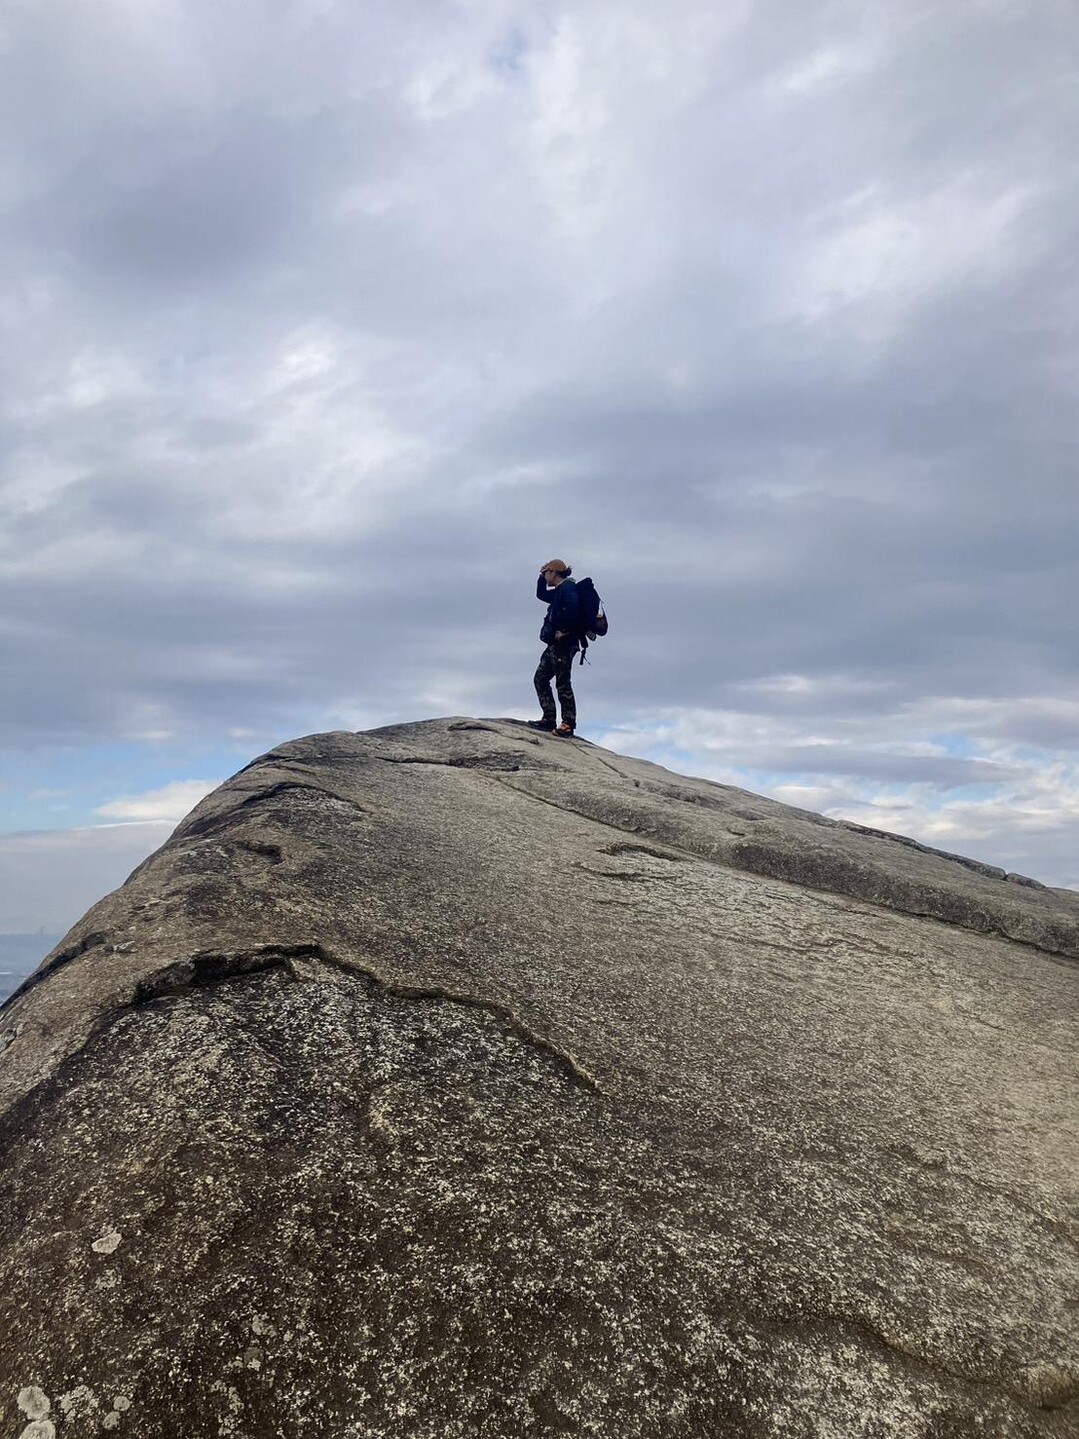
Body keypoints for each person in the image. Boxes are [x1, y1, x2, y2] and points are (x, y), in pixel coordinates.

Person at [530, 559, 580, 736]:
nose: (545, 576)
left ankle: (568, 723)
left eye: (546, 573)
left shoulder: (568, 588)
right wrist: (539, 576)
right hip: (555, 645)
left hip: (565, 645)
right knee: (540, 678)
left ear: (554, 572)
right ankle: (549, 718)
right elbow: (541, 594)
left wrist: (565, 631)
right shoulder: (559, 590)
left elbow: (574, 610)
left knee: (562, 683)